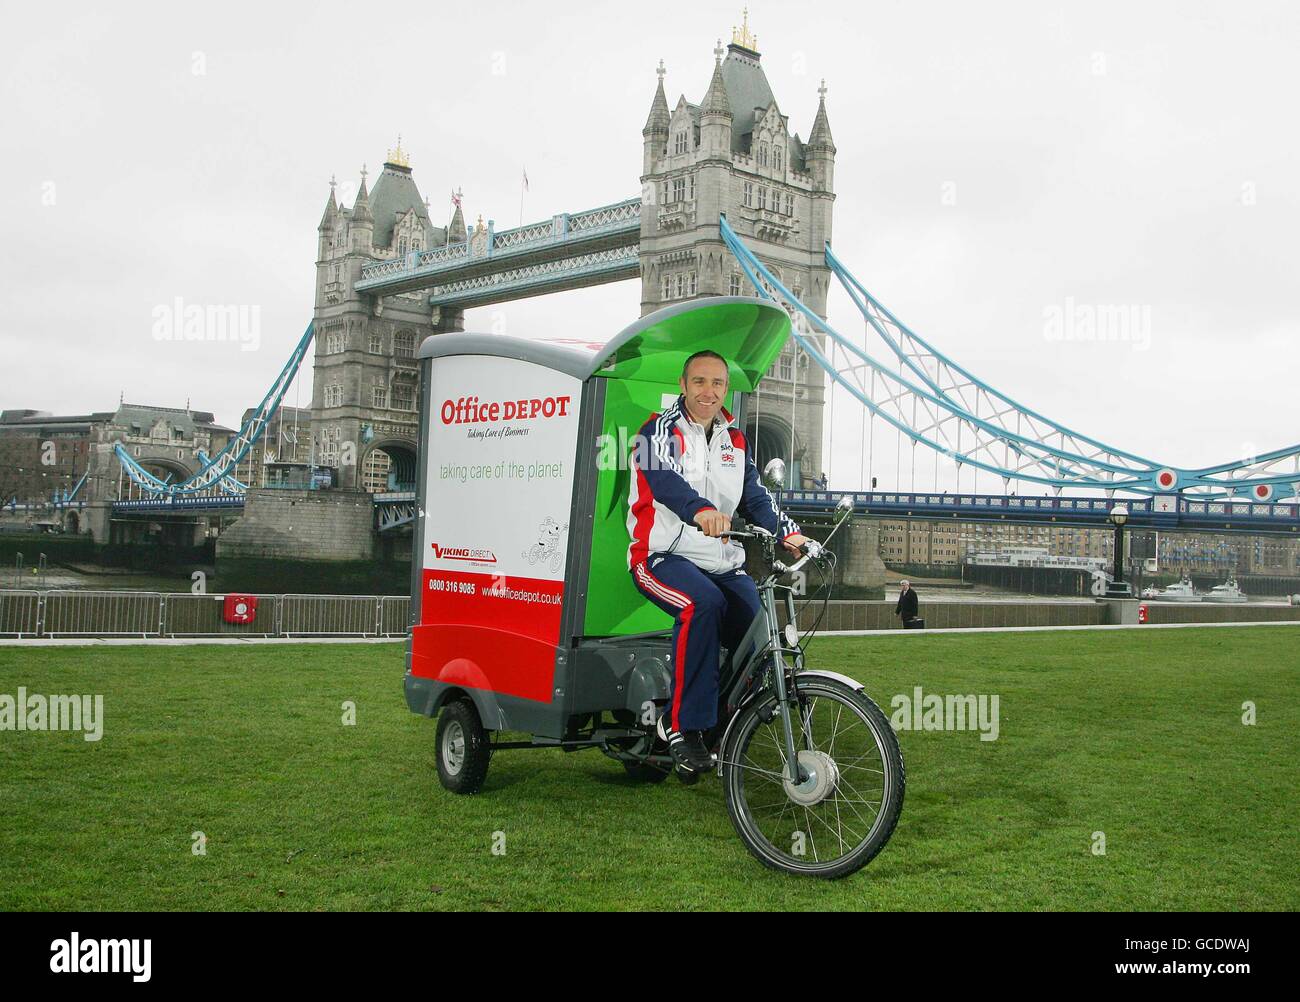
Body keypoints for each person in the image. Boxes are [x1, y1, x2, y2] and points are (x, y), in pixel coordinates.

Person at [626, 349, 810, 775]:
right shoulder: (655, 431)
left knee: (756, 623)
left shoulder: (735, 439)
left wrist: (790, 532)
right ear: (683, 385)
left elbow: (755, 496)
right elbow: (665, 482)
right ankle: (682, 728)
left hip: (722, 559)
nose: (708, 392)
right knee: (702, 604)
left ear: (726, 388)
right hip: (661, 555)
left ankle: (724, 718)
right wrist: (701, 510)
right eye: (699, 382)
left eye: (717, 384)